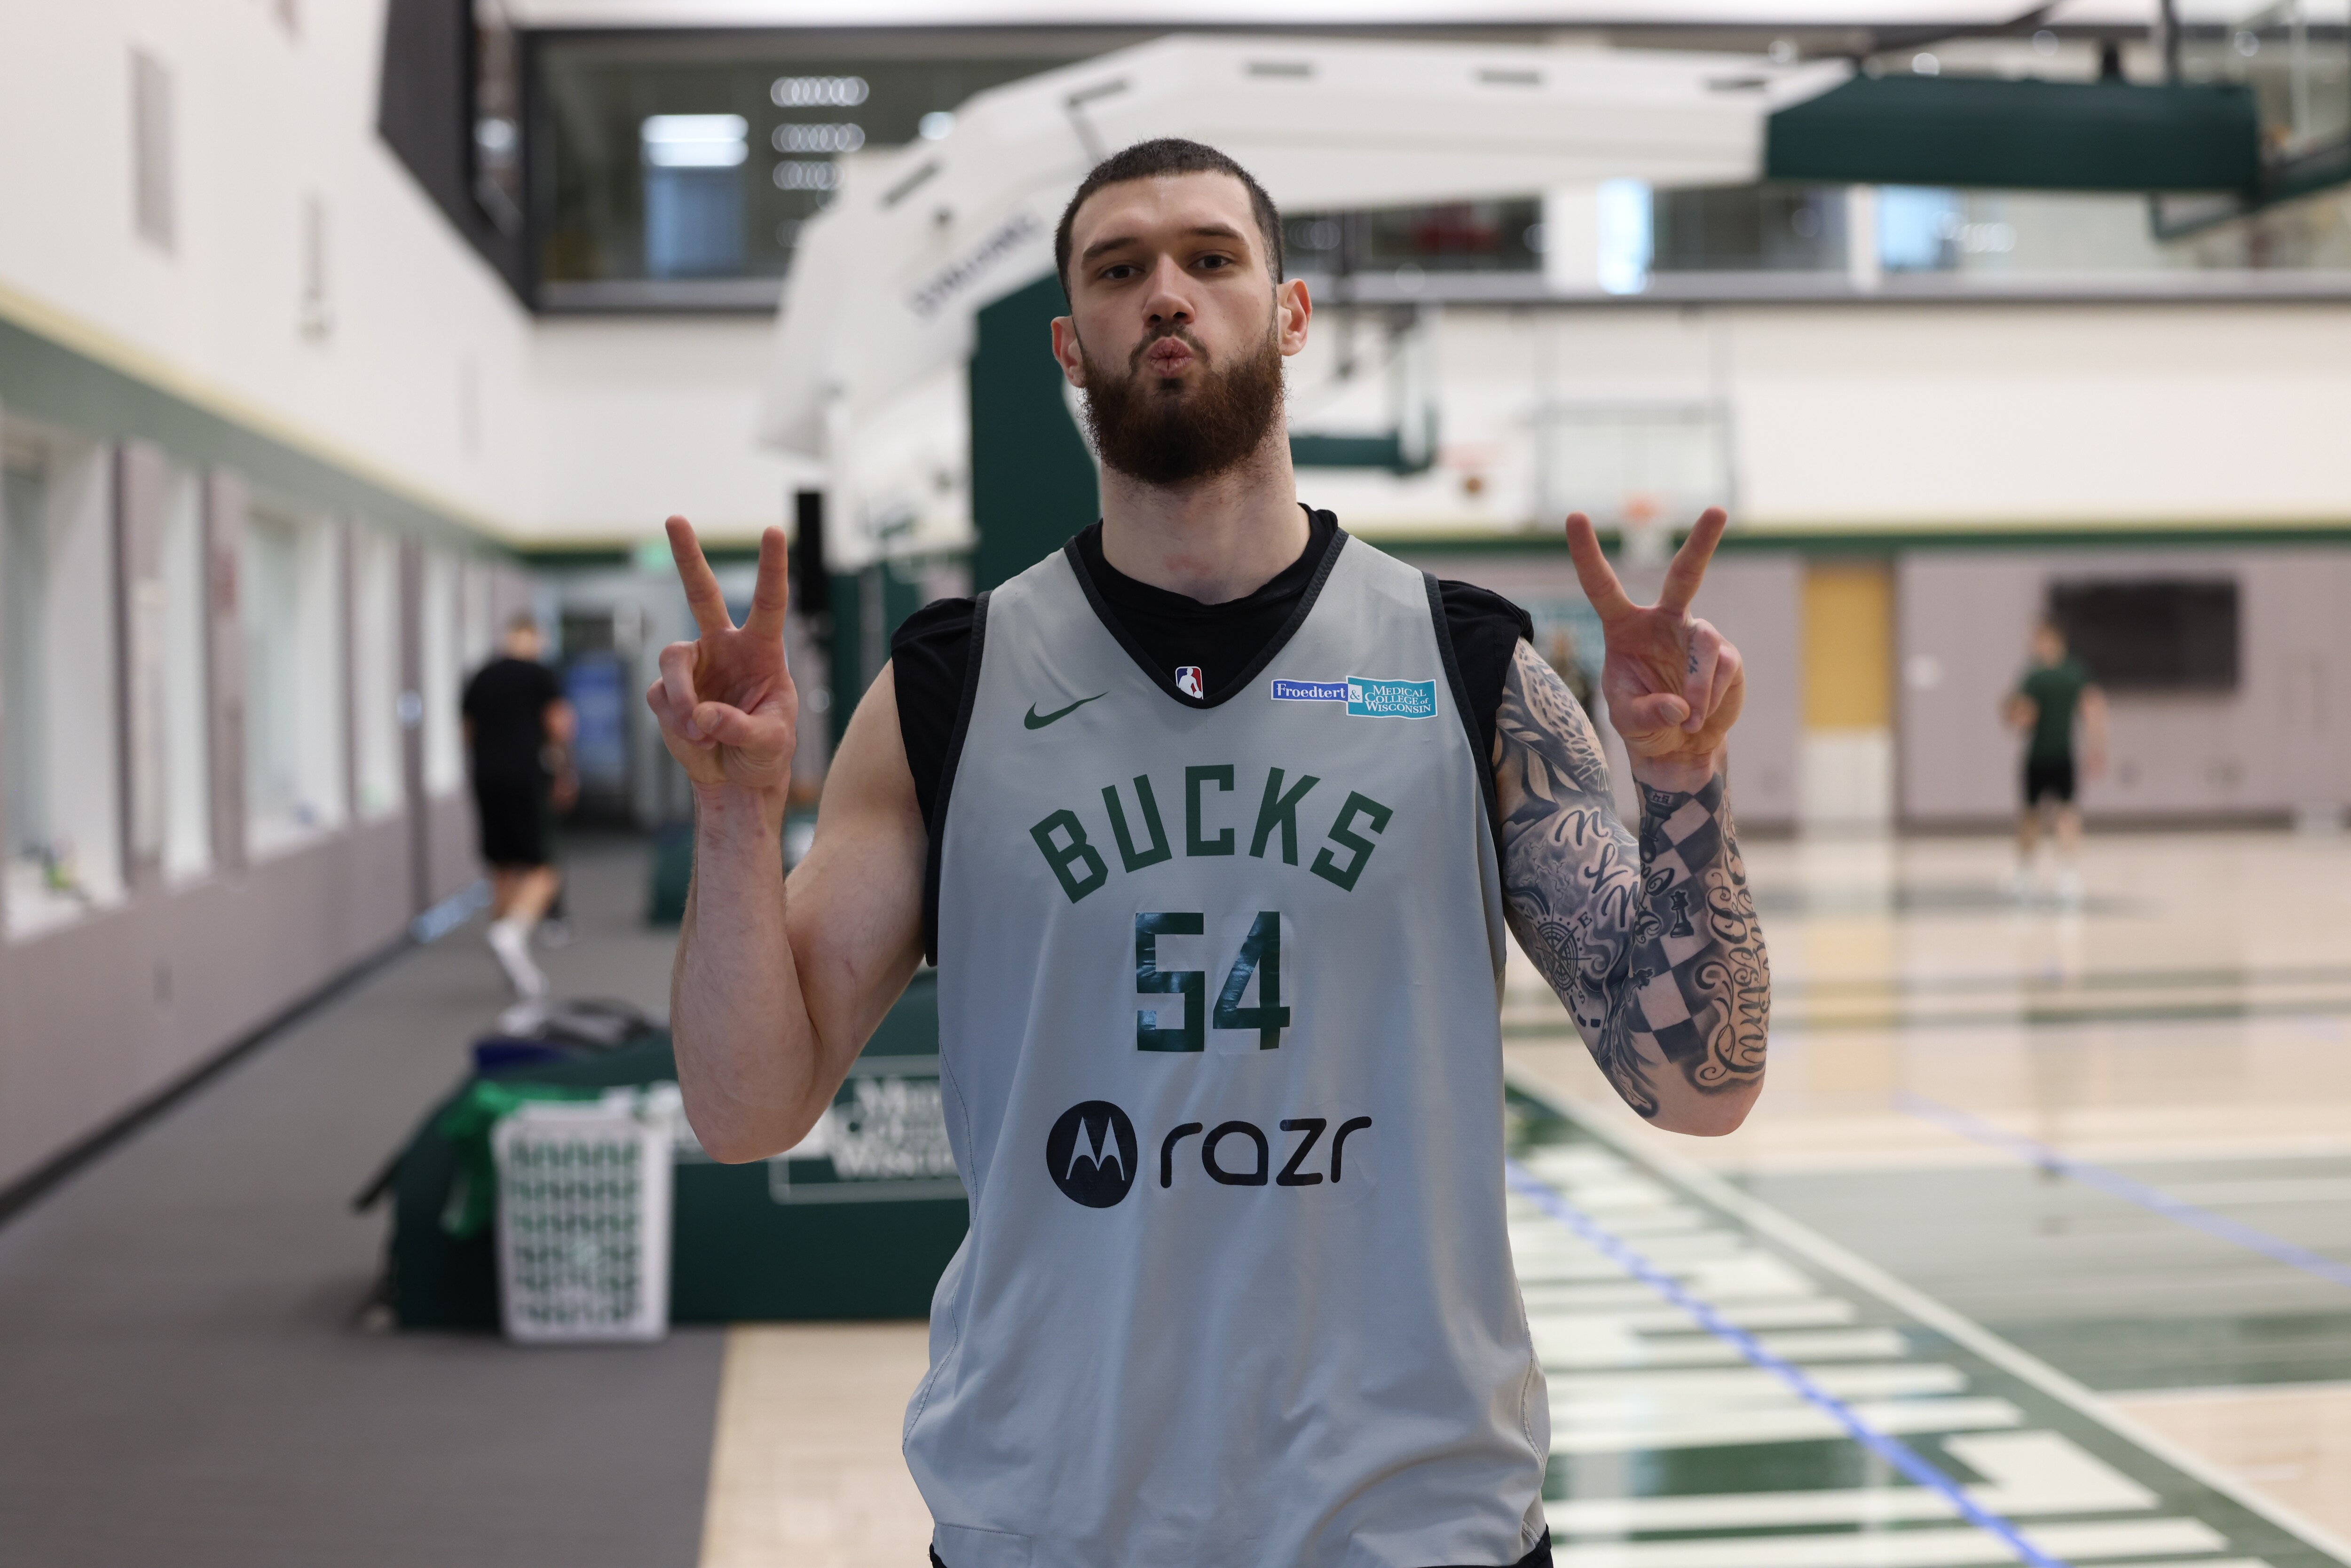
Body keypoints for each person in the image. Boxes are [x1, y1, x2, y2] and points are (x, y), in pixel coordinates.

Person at [648, 138, 1768, 1568]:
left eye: (1209, 258)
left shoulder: (1463, 660)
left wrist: (1680, 786)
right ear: (1070, 342)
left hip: (1410, 1522)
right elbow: (746, 1107)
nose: (1162, 293)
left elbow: (1698, 1083)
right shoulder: (951, 681)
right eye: (1118, 270)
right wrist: (737, 815)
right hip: (1053, 1518)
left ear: (1290, 311)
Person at [462, 613, 576, 1009]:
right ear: (533, 638)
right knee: (544, 867)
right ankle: (513, 932)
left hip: (485, 776)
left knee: (503, 865)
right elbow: (559, 725)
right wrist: (564, 769)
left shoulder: (479, 675)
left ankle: (511, 953)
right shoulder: (540, 675)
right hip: (528, 776)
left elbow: (467, 730)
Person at [2003, 618, 2106, 905]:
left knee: (2067, 815)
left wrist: (2096, 746)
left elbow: (2093, 708)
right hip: (2037, 755)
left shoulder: (2072, 674)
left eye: (2039, 640)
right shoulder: (2033, 676)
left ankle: (2068, 873)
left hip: (2062, 754)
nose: (2035, 647)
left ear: (2054, 640)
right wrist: (2015, 715)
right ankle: (2025, 872)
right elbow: (2021, 717)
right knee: (2030, 816)